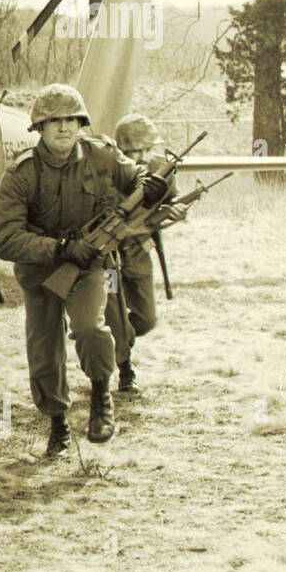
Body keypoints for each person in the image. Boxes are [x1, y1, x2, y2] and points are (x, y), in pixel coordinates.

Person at [0, 85, 170, 457]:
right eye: (54, 121)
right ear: (39, 127)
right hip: (42, 270)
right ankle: (57, 423)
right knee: (44, 350)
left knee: (90, 327)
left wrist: (148, 184)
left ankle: (102, 399)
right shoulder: (22, 174)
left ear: (81, 123)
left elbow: (134, 176)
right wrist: (57, 248)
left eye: (71, 120)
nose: (63, 128)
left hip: (90, 264)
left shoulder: (101, 156)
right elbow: (5, 239)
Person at [104, 113, 186, 393]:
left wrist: (177, 210)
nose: (138, 156)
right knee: (114, 311)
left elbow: (171, 201)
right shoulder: (110, 170)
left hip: (138, 251)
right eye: (131, 151)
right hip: (108, 258)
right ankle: (125, 369)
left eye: (143, 150)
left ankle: (111, 338)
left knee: (147, 318)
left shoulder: (161, 171)